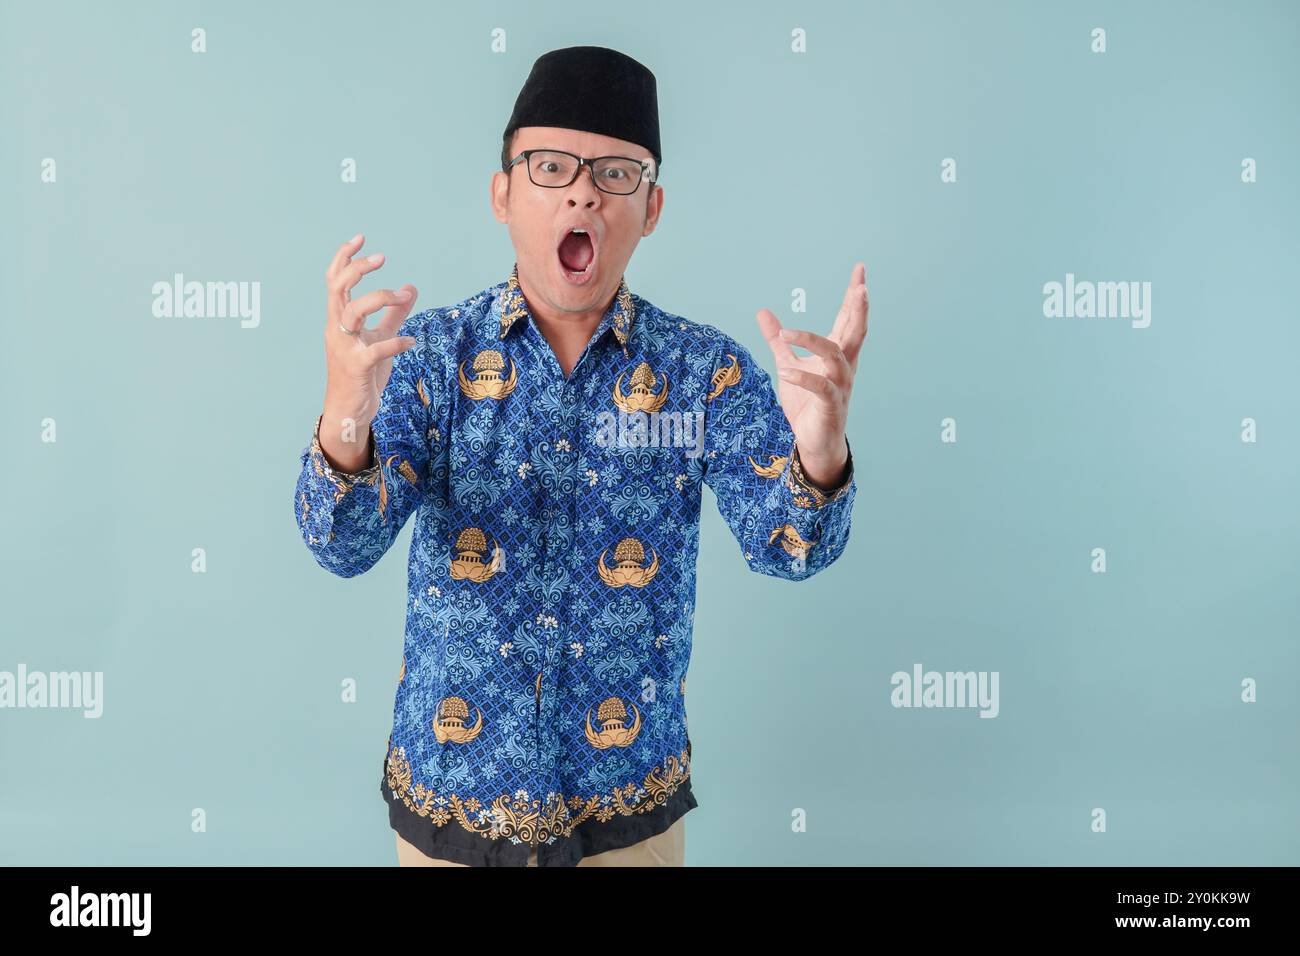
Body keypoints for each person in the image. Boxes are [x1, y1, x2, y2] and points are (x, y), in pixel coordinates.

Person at [294, 45, 868, 867]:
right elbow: (340, 545)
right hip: (452, 805)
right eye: (551, 165)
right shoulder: (428, 358)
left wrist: (819, 450)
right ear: (503, 193)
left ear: (653, 207)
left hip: (628, 815)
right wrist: (346, 415)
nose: (583, 191)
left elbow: (792, 549)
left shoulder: (703, 373)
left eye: (616, 173)